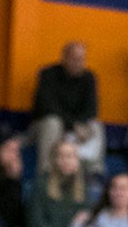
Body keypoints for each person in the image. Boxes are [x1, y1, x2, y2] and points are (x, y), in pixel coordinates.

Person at [28, 41, 103, 174]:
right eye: (74, 58)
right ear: (64, 58)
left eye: (81, 59)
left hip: (74, 128)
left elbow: (92, 109)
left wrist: (81, 125)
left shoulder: (89, 78)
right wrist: (73, 124)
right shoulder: (48, 74)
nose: (78, 63)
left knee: (96, 126)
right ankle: (46, 173)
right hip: (44, 127)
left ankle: (94, 173)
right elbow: (48, 107)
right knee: (53, 123)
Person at [26, 139, 91, 227]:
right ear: (53, 160)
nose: (66, 161)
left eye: (70, 156)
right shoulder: (40, 185)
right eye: (61, 156)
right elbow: (36, 226)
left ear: (78, 161)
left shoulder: (85, 190)